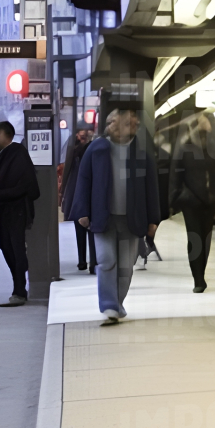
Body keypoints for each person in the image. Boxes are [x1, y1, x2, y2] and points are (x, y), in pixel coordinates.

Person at [71, 108, 160, 325]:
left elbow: (152, 188)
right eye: (111, 122)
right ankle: (109, 305)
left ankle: (117, 304)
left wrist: (153, 220)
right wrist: (82, 211)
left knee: (125, 267)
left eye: (116, 123)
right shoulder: (97, 149)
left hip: (133, 218)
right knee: (106, 260)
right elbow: (83, 180)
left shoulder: (141, 154)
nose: (110, 126)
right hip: (103, 216)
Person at [0, 120, 40, 306]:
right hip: (0, 209)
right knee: (5, 247)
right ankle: (18, 285)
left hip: (16, 209)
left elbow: (28, 186)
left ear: (4, 135)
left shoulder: (17, 153)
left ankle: (19, 289)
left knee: (16, 247)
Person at [170, 115, 215, 292]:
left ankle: (201, 271)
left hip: (211, 200)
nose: (203, 123)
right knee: (195, 237)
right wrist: (176, 197)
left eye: (206, 120)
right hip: (190, 200)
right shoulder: (185, 147)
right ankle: (198, 279)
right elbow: (175, 175)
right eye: (200, 120)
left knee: (205, 237)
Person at [60, 124, 96, 270]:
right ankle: (91, 261)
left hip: (76, 191)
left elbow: (67, 171)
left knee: (81, 228)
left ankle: (83, 260)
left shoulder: (73, 150)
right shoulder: (90, 148)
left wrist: (64, 193)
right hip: (85, 191)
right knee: (91, 229)